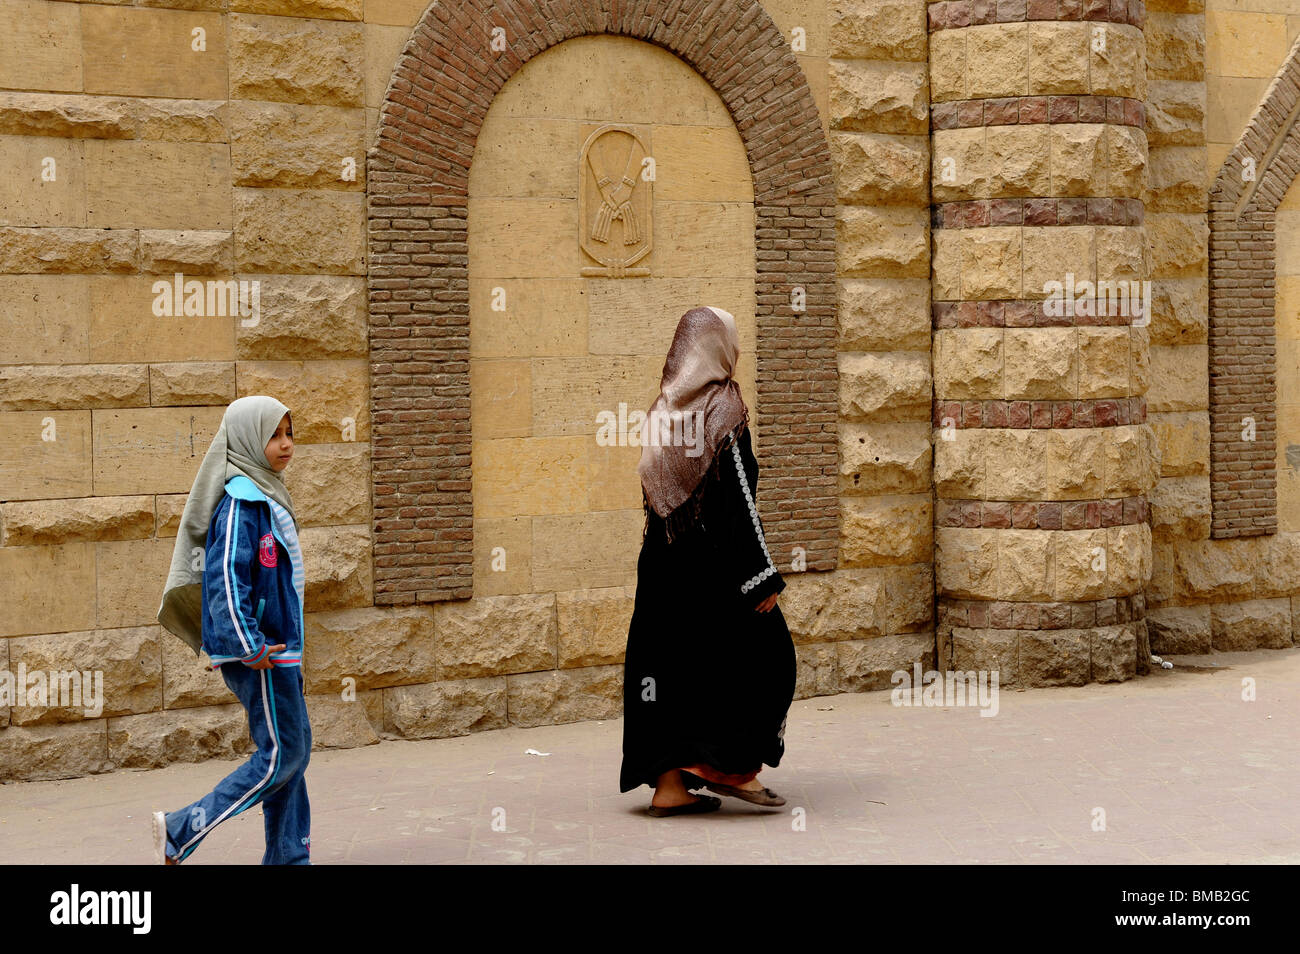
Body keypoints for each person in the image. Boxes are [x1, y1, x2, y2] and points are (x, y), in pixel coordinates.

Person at [620, 305, 797, 816]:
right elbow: (738, 501)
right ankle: (726, 768)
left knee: (666, 669)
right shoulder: (723, 408)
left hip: (661, 567)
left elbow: (660, 498)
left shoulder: (663, 409)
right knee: (770, 658)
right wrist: (762, 577)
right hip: (716, 568)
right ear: (719, 349)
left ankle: (670, 788)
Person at [152, 395, 311, 864]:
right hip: (260, 652)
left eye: (289, 434)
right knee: (282, 757)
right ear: (245, 440)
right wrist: (249, 644)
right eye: (273, 435)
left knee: (292, 757)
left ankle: (287, 857)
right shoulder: (242, 501)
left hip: (280, 649)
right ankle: (182, 830)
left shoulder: (265, 494)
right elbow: (224, 577)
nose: (285, 445)